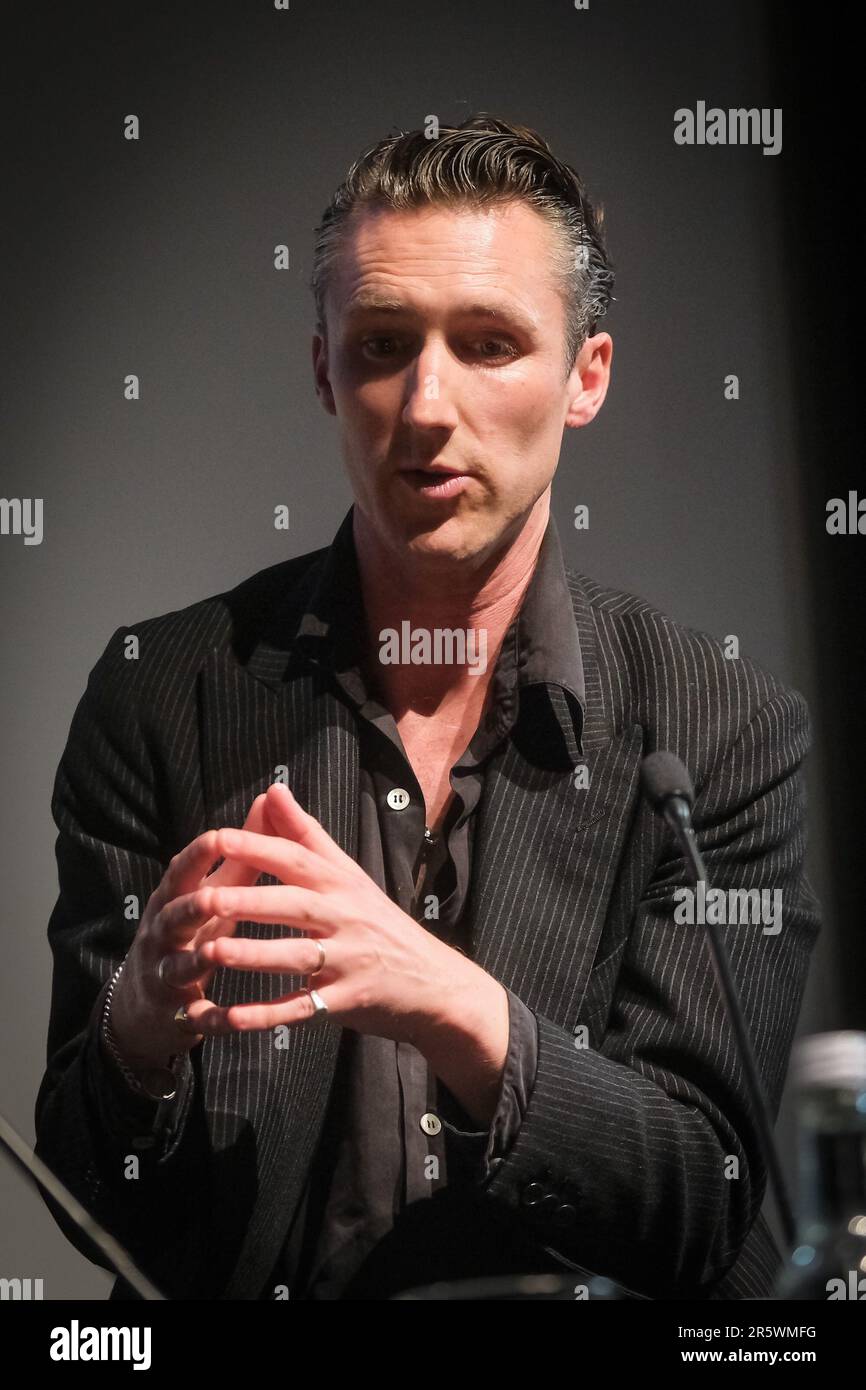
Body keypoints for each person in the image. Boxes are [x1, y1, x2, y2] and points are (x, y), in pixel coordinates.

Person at [34, 114, 820, 1301]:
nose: (425, 407)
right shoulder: (162, 695)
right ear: (322, 371)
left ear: (584, 377)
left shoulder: (721, 729)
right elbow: (92, 1202)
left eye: (490, 343)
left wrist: (453, 1003)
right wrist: (133, 1045)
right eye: (383, 344)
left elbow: (703, 1198)